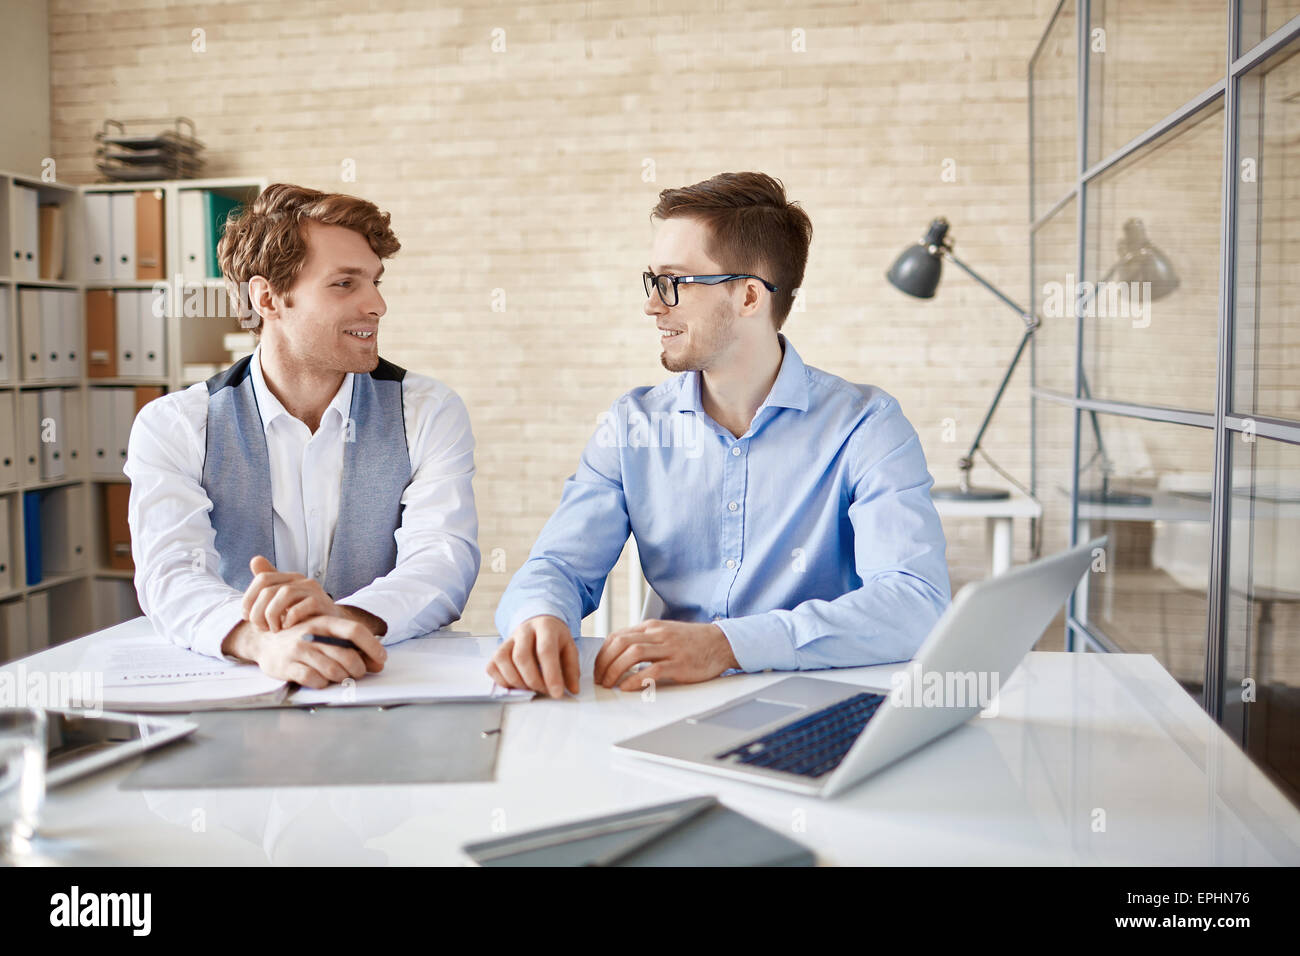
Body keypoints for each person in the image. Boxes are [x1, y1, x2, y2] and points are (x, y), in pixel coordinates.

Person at [491, 171, 951, 699]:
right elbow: (559, 566)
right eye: (652, 280)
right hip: (665, 705)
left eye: (675, 283)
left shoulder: (867, 425)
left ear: (750, 297)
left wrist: (727, 645)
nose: (652, 305)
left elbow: (916, 603)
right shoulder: (632, 426)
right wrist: (540, 615)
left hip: (819, 702)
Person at [125, 184, 480, 688]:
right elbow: (171, 575)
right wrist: (261, 641)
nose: (377, 304)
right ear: (267, 297)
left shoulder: (427, 411)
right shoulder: (175, 425)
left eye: (375, 282)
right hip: (237, 682)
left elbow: (444, 560)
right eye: (344, 284)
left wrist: (341, 620)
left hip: (386, 680)